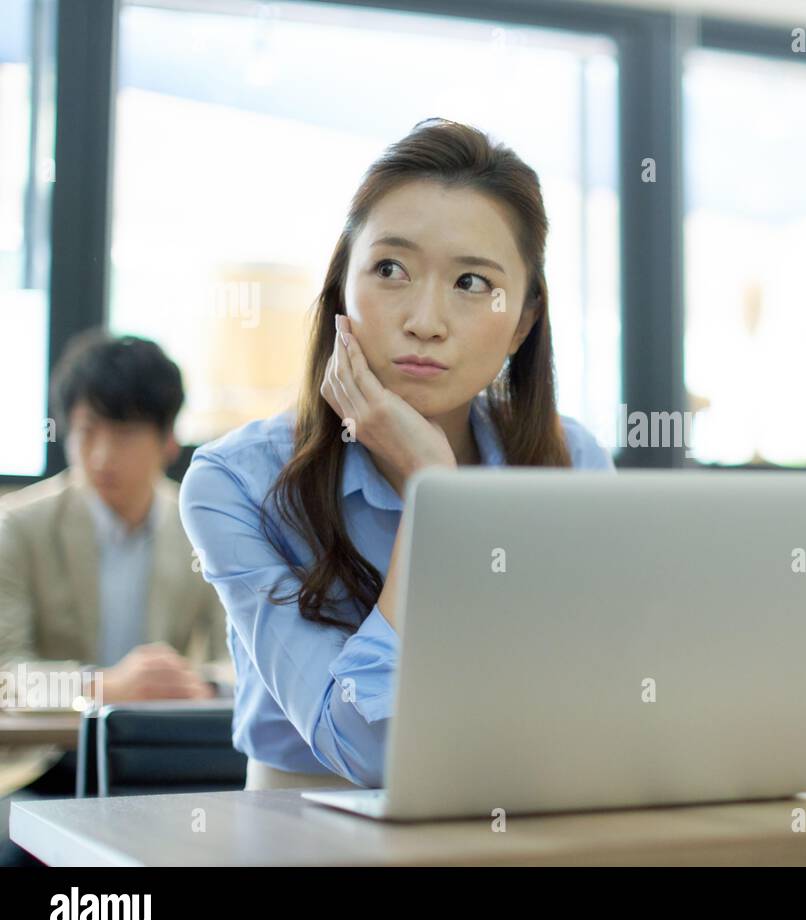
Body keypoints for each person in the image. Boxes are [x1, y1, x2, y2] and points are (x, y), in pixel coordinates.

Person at [179, 118, 615, 791]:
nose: (425, 319)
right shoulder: (235, 482)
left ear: (523, 322)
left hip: (524, 821)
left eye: (472, 282)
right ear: (340, 294)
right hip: (299, 834)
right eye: (390, 269)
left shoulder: (571, 462)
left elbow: (596, 712)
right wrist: (433, 496)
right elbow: (368, 744)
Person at [0, 332, 229, 865]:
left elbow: (239, 661)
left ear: (168, 439)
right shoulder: (18, 527)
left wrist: (201, 683)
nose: (100, 455)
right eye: (85, 432)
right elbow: (6, 677)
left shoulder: (203, 529)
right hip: (43, 767)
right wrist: (105, 685)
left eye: (123, 434)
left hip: (158, 759)